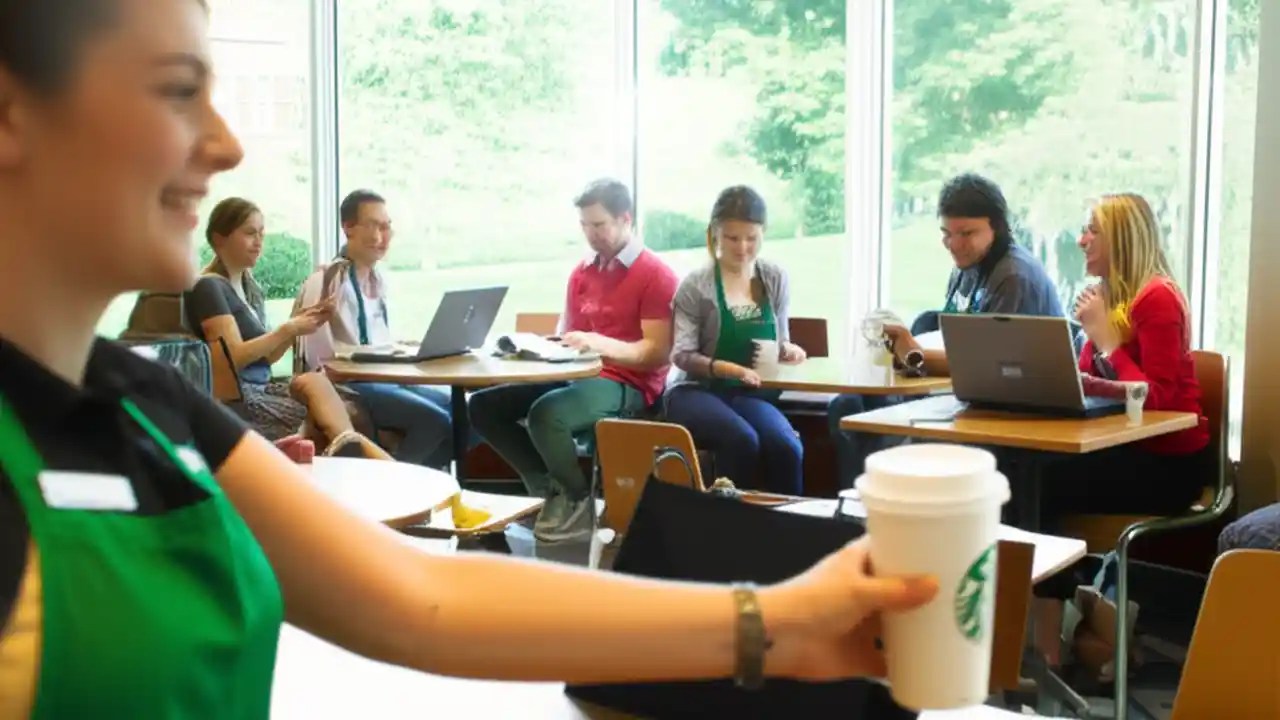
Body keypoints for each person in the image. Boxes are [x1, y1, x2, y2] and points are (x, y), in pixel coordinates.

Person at [0, 1, 938, 715]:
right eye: (176, 88)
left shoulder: (137, 410)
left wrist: (773, 625)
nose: (228, 142)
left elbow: (419, 593)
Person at [468, 179, 680, 542]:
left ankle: (577, 497)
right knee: (483, 406)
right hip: (576, 374)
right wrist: (538, 349)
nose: (590, 234)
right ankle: (549, 490)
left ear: (625, 218)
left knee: (547, 414)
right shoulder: (583, 272)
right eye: (584, 225)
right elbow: (569, 334)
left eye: (598, 225)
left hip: (629, 383)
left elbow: (655, 353)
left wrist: (601, 343)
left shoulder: (655, 275)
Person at [826, 174, 1064, 486]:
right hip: (963, 399)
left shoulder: (1014, 278)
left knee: (891, 445)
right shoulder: (966, 268)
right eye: (946, 233)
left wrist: (916, 354)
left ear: (998, 227)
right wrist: (908, 353)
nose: (953, 244)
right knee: (845, 408)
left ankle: (882, 514)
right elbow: (961, 349)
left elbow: (988, 370)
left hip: (1007, 416)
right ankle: (861, 514)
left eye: (966, 233)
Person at [1039, 192, 1209, 523]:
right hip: (1123, 447)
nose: (1081, 240)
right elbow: (1090, 384)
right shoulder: (1105, 296)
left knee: (1038, 482)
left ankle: (1055, 574)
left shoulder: (1158, 297)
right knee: (1018, 468)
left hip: (1168, 464)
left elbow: (1157, 398)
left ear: (1122, 238)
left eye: (1092, 230)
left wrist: (1108, 344)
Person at [184, 197, 379, 456]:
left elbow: (268, 358)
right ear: (220, 239)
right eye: (250, 233)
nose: (259, 242)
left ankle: (349, 455)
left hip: (264, 386)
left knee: (347, 403)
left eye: (262, 233)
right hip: (242, 397)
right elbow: (232, 359)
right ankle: (358, 462)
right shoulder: (208, 287)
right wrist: (288, 329)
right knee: (337, 414)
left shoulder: (250, 289)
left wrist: (301, 322)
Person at [294, 190, 454, 468]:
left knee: (465, 412)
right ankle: (395, 485)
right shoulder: (327, 280)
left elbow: (377, 341)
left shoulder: (378, 280)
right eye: (374, 226)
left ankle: (421, 481)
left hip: (384, 377)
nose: (383, 236)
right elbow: (313, 357)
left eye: (387, 226)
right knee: (435, 421)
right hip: (350, 385)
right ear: (348, 228)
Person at [666, 186, 807, 495]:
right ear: (715, 234)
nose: (742, 247)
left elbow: (780, 339)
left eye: (751, 238)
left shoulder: (774, 278)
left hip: (750, 394)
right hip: (695, 391)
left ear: (763, 234)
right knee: (741, 440)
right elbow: (682, 355)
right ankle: (731, 531)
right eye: (732, 238)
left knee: (787, 448)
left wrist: (789, 349)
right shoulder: (696, 286)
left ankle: (788, 532)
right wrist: (729, 369)